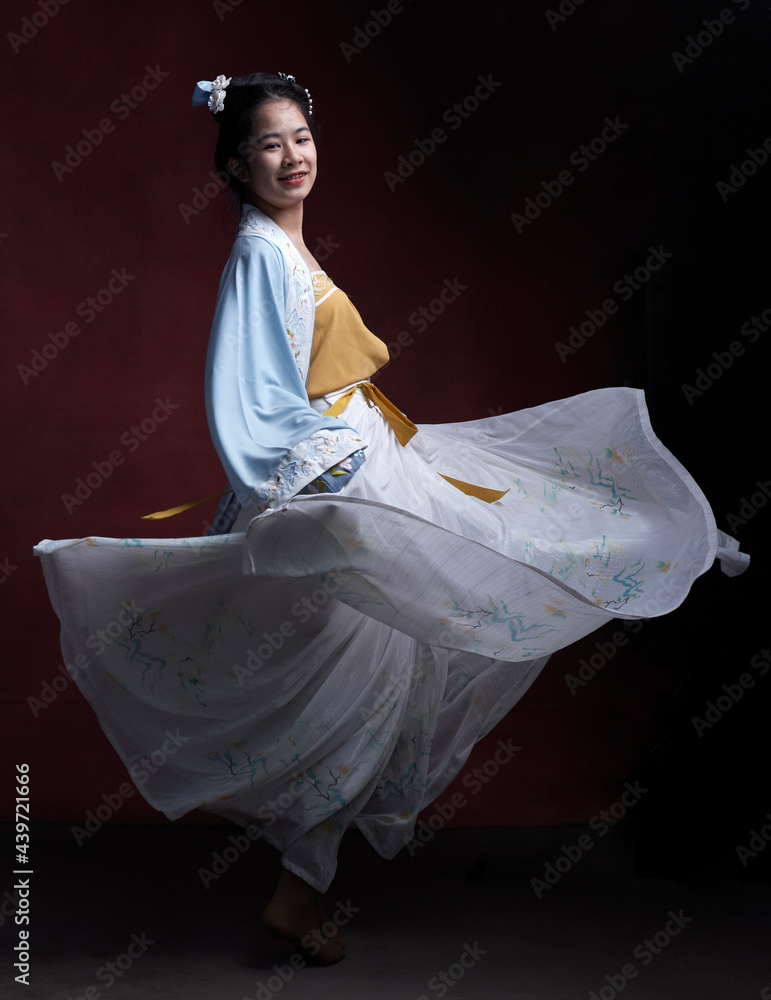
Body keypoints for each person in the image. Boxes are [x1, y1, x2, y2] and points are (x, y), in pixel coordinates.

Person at [35, 71, 748, 966]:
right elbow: (247, 400)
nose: (291, 156)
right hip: (343, 478)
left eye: (300, 136)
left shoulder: (288, 248)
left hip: (371, 459)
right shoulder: (259, 253)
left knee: (410, 645)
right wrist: (333, 477)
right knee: (386, 657)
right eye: (268, 142)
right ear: (233, 165)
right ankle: (678, 546)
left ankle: (298, 886)